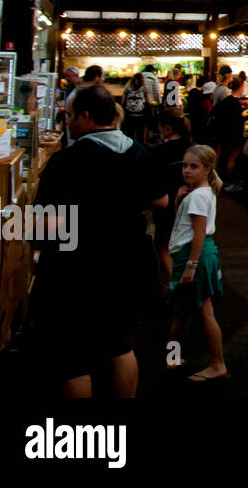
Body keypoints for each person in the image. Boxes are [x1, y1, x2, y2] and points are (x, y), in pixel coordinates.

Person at [27, 85, 167, 397]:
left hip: (75, 271)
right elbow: (161, 200)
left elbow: (46, 226)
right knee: (120, 345)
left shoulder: (68, 161)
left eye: (70, 115)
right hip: (127, 265)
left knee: (72, 358)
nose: (68, 121)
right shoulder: (137, 152)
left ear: (86, 117)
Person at [166, 144, 228, 382]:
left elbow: (199, 233)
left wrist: (191, 266)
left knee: (204, 311)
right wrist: (178, 200)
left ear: (208, 168)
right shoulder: (200, 192)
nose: (187, 171)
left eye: (194, 166)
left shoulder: (198, 197)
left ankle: (217, 363)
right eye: (185, 165)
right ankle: (173, 358)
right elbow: (184, 224)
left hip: (195, 257)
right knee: (181, 310)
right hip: (195, 255)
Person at [149, 108, 194, 280]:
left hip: (167, 205)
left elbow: (153, 182)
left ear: (167, 127)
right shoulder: (194, 148)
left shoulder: (158, 153)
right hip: (191, 204)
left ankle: (175, 281)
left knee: (163, 243)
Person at [210, 77, 248, 191]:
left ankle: (214, 179)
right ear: (241, 88)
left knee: (219, 154)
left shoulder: (226, 100)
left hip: (222, 133)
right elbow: (239, 120)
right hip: (233, 134)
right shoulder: (236, 104)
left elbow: (216, 111)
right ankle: (229, 182)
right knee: (232, 158)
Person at [121, 73, 148, 140]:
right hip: (140, 115)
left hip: (129, 115)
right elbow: (149, 101)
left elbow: (122, 101)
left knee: (129, 132)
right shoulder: (144, 89)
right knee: (140, 132)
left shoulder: (128, 89)